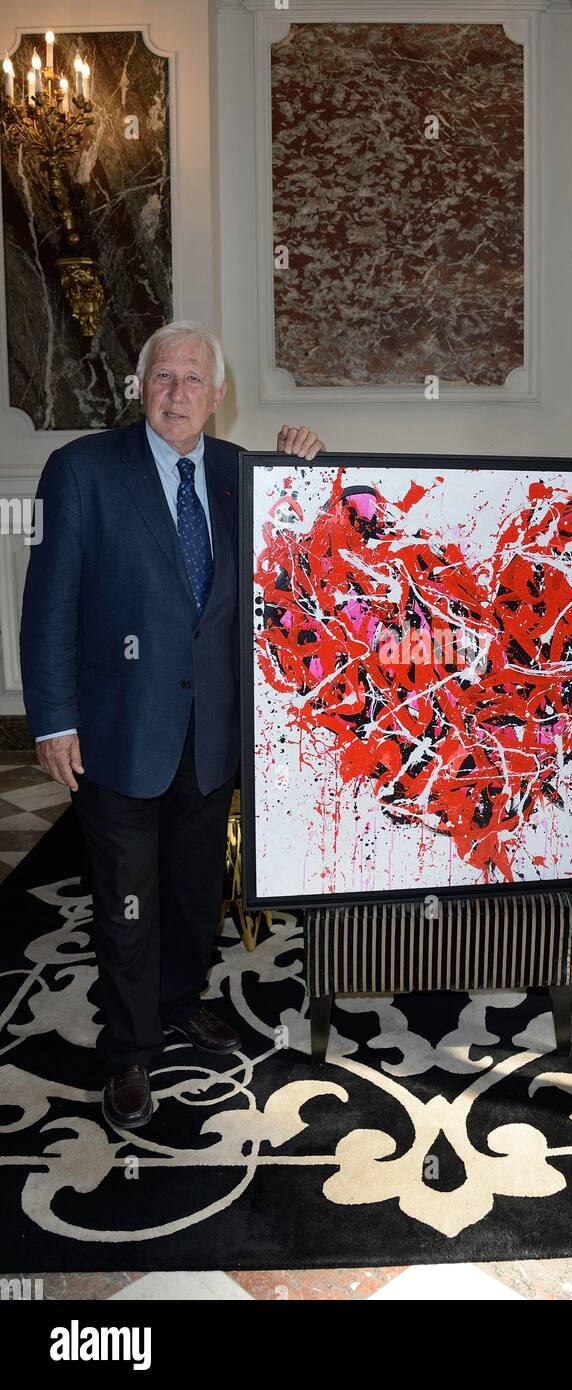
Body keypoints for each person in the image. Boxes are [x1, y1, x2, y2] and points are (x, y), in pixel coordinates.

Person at [19, 321, 325, 1129]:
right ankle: (126, 1048)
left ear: (218, 397)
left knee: (195, 891)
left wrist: (307, 465)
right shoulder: (81, 470)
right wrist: (52, 720)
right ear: (141, 386)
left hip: (213, 733)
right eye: (163, 378)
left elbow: (305, 548)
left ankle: (181, 1001)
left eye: (194, 380)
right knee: (126, 898)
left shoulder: (239, 473)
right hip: (117, 732)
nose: (177, 393)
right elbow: (46, 606)